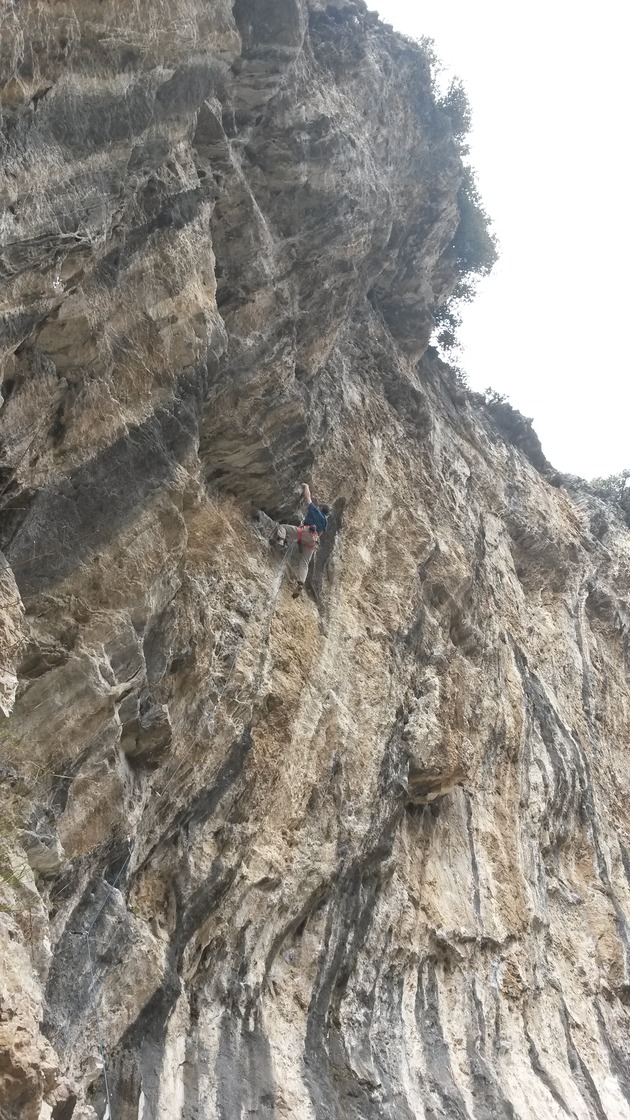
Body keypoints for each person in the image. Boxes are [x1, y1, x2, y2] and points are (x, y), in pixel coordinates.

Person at [273, 483, 330, 597]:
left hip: (304, 532)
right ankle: (300, 582)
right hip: (313, 540)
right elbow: (321, 533)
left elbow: (307, 496)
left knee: (283, 527)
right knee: (304, 563)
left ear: (320, 508)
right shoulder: (325, 522)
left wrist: (306, 486)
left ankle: (280, 542)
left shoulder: (315, 509)